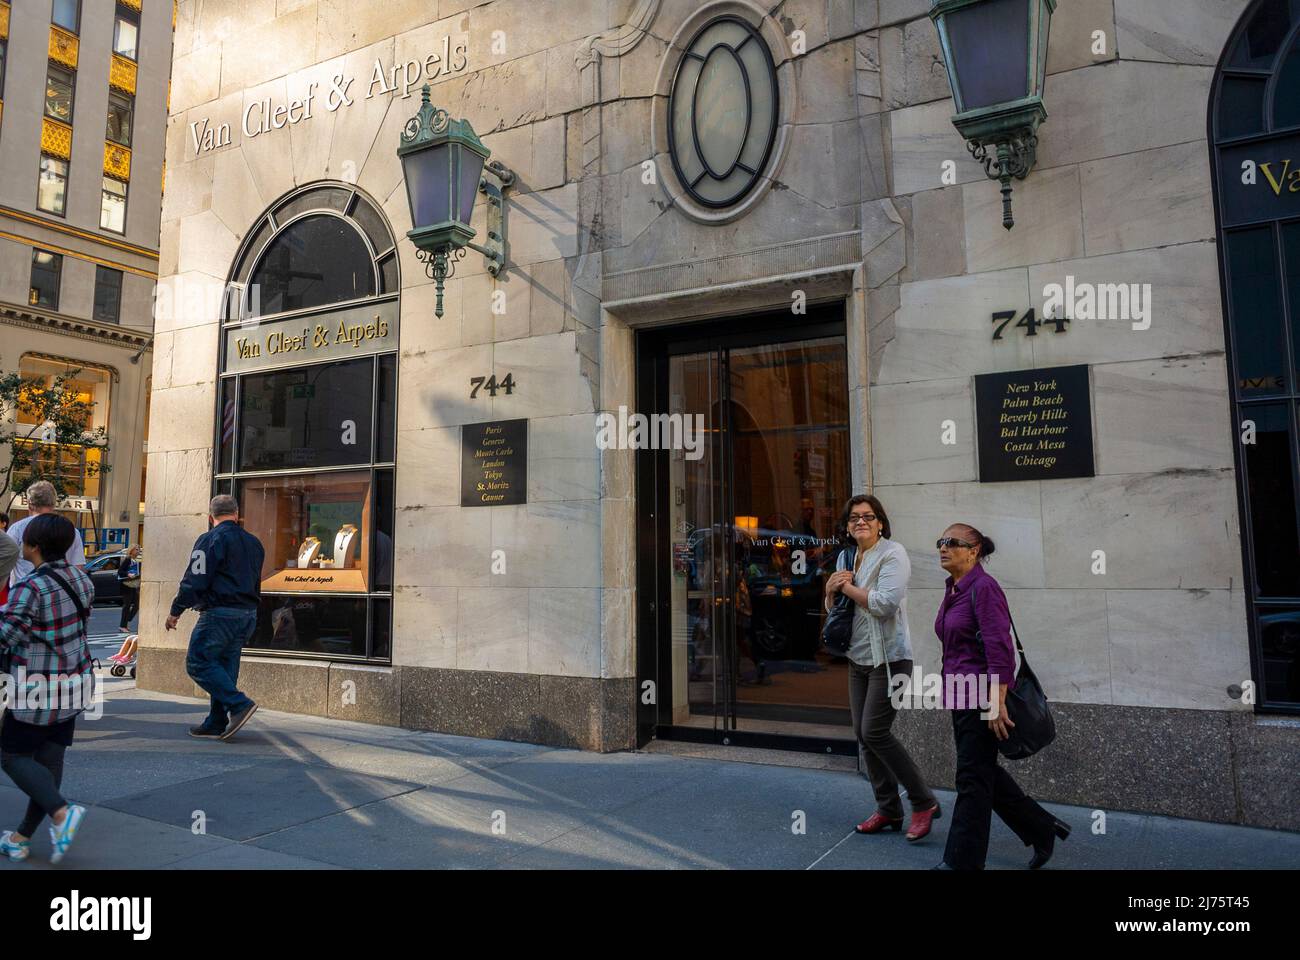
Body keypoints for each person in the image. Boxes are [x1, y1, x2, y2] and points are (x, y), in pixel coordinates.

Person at [932, 523, 1070, 870]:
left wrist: (995, 703)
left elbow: (1000, 652)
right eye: (940, 542)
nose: (942, 548)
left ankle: (961, 864)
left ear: (974, 550)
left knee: (971, 780)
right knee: (981, 772)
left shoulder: (984, 588)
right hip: (961, 696)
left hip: (981, 697)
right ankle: (1041, 827)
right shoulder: (954, 588)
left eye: (951, 543)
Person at [825, 495, 940, 842]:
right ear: (847, 526)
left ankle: (924, 802)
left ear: (880, 523)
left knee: (875, 731)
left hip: (890, 658)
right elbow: (838, 609)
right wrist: (830, 590)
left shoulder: (893, 554)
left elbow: (884, 604)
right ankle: (889, 808)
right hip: (857, 658)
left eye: (868, 516)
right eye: (854, 518)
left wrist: (844, 585)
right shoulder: (847, 556)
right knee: (863, 734)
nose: (861, 522)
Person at [0, 514, 95, 864]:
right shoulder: (81, 580)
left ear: (34, 547)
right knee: (50, 758)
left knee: (11, 756)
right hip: (74, 681)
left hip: (37, 688)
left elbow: (7, 637)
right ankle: (21, 837)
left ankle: (60, 812)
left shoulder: (31, 587)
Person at [166, 495, 265, 741]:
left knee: (198, 662)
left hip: (220, 613)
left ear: (210, 517)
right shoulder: (254, 543)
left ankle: (239, 704)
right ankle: (216, 721)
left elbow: (195, 579)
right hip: (247, 613)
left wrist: (176, 610)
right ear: (237, 514)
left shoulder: (210, 539)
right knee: (225, 669)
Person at [7, 482, 86, 591]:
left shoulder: (17, 529)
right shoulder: (72, 531)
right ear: (54, 503)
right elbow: (78, 567)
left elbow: (5, 562)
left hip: (24, 592)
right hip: (61, 594)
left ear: (29, 503)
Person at [116, 545, 142, 632]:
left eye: (139, 550)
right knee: (126, 605)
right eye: (136, 549)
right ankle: (122, 625)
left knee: (137, 603)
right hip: (126, 585)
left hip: (134, 585)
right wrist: (128, 574)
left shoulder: (137, 561)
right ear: (131, 551)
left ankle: (127, 620)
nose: (138, 551)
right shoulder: (127, 559)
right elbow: (120, 572)